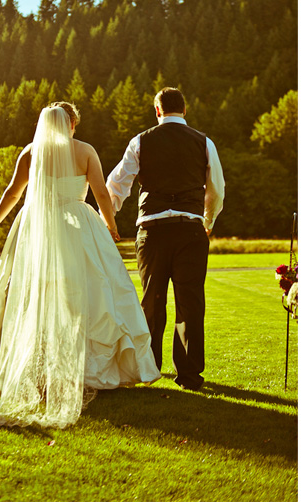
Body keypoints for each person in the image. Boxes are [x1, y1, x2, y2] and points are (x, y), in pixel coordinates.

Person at [0, 103, 160, 428]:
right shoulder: (84, 151)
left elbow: (13, 193)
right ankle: (88, 369)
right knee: (89, 292)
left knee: (34, 293)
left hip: (37, 227)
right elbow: (100, 193)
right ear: (72, 124)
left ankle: (34, 368)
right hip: (76, 225)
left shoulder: (30, 152)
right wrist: (110, 225)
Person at [107, 88, 225, 391]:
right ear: (184, 110)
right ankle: (189, 375)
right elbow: (217, 189)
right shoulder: (204, 141)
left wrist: (106, 220)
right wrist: (207, 220)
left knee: (152, 301)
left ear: (157, 111)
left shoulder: (141, 141)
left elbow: (118, 184)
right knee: (190, 302)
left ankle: (150, 368)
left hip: (153, 230)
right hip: (190, 229)